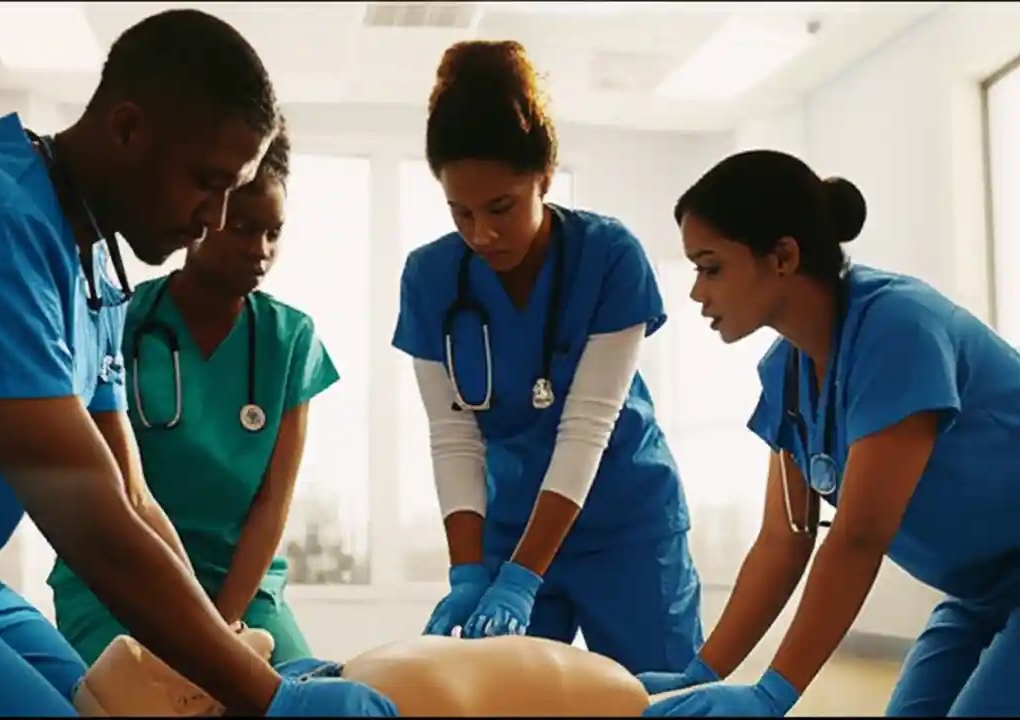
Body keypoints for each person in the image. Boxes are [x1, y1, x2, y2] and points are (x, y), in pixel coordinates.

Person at [0, 9, 395, 717]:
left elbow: (133, 499)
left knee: (109, 705)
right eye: (207, 182)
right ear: (126, 129)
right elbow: (86, 512)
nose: (214, 217)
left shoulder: (93, 267)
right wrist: (270, 700)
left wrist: (230, 655)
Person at [640, 149, 1020, 717]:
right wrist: (702, 670)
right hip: (980, 593)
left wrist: (775, 694)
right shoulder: (786, 373)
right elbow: (783, 539)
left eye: (710, 266)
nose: (697, 292)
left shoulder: (899, 328)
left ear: (783, 257)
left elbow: (859, 535)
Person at [390, 39, 703, 675]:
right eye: (461, 212)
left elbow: (586, 427)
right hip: (509, 528)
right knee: (512, 699)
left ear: (544, 177)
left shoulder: (609, 256)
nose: (482, 233)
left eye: (501, 207)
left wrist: (522, 579)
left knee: (663, 701)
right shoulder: (430, 277)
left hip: (626, 526)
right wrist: (470, 570)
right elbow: (453, 436)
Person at [50, 123, 337, 668]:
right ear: (205, 219)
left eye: (273, 233)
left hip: (241, 585)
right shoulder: (122, 321)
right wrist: (198, 633)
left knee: (300, 694)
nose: (260, 250)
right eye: (244, 228)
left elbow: (272, 504)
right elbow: (105, 489)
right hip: (120, 574)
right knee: (138, 696)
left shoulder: (290, 339)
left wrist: (222, 623)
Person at [76, 628, 649, 717]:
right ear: (192, 701)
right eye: (161, 645)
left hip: (626, 685)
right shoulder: (336, 706)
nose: (190, 624)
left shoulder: (303, 682)